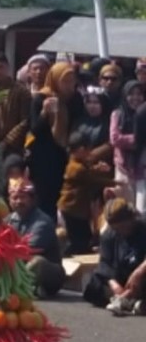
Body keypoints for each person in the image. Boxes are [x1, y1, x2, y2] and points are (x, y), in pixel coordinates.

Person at [27, 61, 81, 217]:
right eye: (65, 81)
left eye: (72, 80)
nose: (69, 85)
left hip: (66, 154)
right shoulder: (41, 98)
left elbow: (77, 124)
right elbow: (35, 130)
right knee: (45, 198)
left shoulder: (75, 99)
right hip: (44, 156)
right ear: (55, 79)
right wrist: (45, 113)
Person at [83, 199, 146, 314]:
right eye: (117, 228)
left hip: (141, 276)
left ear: (131, 218)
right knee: (91, 283)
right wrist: (113, 284)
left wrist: (139, 273)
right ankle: (129, 303)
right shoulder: (109, 235)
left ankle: (128, 301)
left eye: (123, 226)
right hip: (122, 279)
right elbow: (104, 263)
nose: (121, 231)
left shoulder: (143, 226)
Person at [58, 133, 116, 256]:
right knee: (79, 240)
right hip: (71, 209)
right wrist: (115, 182)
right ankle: (68, 256)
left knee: (85, 236)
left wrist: (97, 168)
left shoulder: (78, 162)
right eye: (88, 150)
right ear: (81, 150)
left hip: (78, 210)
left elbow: (89, 170)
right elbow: (92, 178)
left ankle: (81, 252)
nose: (90, 152)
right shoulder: (75, 168)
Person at [8, 180, 65, 297]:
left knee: (38, 262)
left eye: (23, 197)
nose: (18, 201)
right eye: (15, 198)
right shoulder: (7, 220)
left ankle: (14, 288)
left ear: (32, 199)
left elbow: (28, 250)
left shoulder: (43, 221)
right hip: (15, 266)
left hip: (48, 274)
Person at [0, 52, 32, 157]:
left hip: (14, 148)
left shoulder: (21, 91)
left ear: (8, 67)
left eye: (0, 67)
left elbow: (25, 121)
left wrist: (6, 143)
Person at [110, 80, 146, 212]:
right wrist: (137, 139)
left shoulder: (144, 114)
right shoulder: (118, 114)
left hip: (142, 169)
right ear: (125, 95)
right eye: (131, 94)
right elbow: (115, 138)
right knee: (125, 209)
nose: (135, 98)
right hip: (123, 168)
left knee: (141, 210)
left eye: (139, 94)